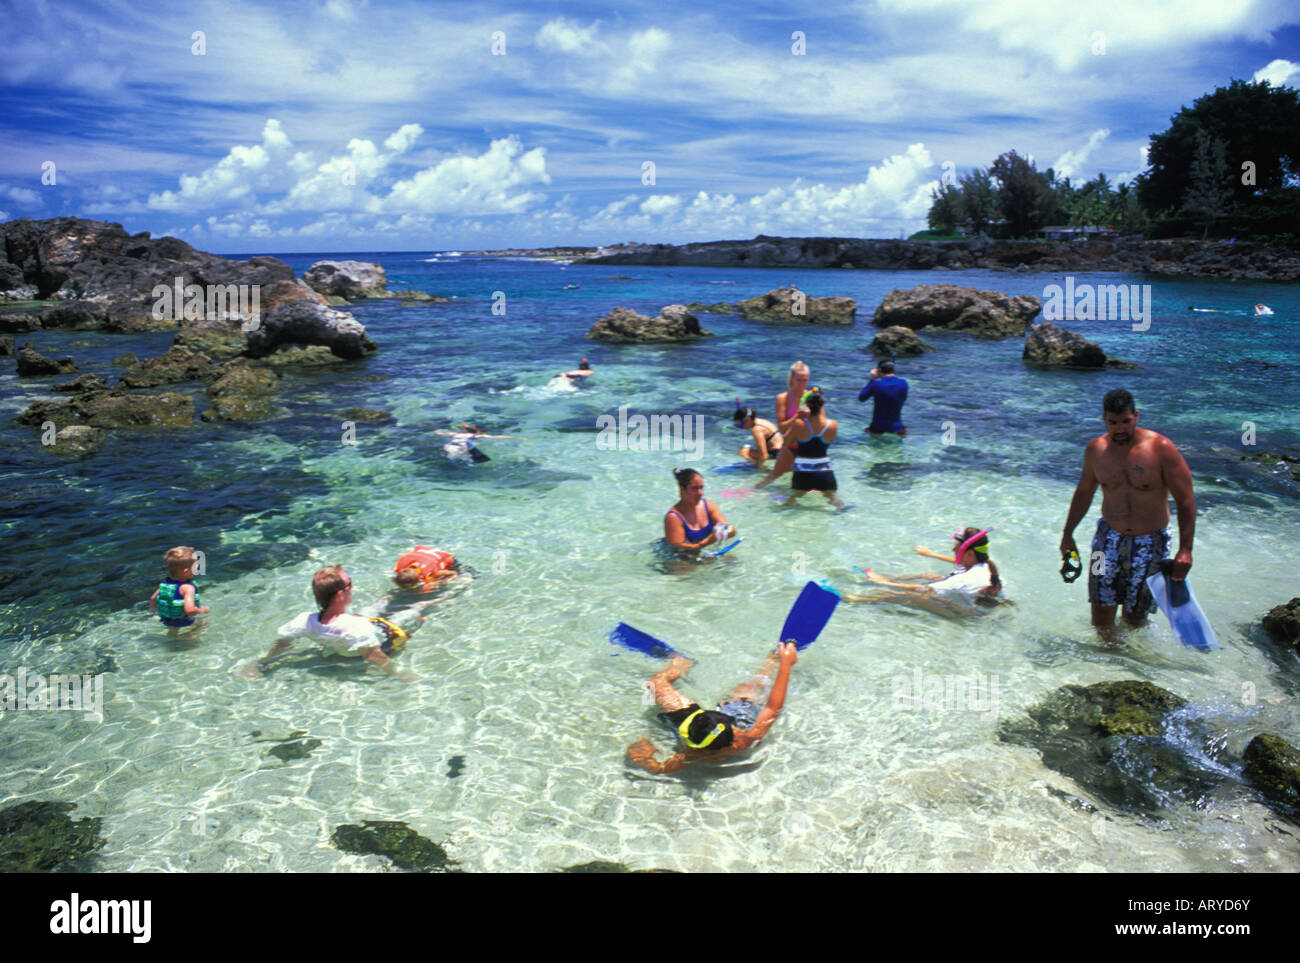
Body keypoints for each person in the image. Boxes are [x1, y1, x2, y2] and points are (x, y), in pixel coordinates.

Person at [1059, 388, 1196, 640]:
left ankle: (1132, 665)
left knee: (1135, 616)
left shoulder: (1160, 448)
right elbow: (1084, 493)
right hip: (1105, 541)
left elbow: (1186, 500)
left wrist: (1186, 549)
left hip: (1150, 543)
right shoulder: (1095, 450)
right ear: (1104, 419)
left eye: (1126, 421)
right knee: (1100, 609)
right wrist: (1067, 535)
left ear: (1136, 416)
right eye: (1113, 422)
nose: (1119, 428)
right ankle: (1107, 666)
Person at [626, 642, 799, 774]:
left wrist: (641, 755)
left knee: (655, 684)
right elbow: (773, 707)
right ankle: (771, 662)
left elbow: (660, 768)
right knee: (750, 690)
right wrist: (786, 666)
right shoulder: (745, 739)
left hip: (699, 725)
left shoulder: (691, 755)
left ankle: (680, 663)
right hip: (741, 711)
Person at [240, 565, 416, 680]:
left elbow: (283, 644)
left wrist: (263, 661)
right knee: (410, 615)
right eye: (350, 584)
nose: (352, 587)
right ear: (341, 594)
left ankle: (393, 597)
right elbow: (374, 656)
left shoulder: (304, 620)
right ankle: (427, 599)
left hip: (338, 641)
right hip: (369, 645)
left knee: (370, 610)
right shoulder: (358, 628)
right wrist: (396, 674)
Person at [844, 527, 1004, 616]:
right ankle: (890, 579)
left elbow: (922, 588)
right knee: (928, 576)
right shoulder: (985, 564)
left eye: (956, 548)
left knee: (911, 595)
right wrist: (931, 554)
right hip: (974, 601)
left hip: (970, 614)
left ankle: (856, 598)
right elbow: (957, 562)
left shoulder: (965, 578)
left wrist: (885, 583)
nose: (953, 550)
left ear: (968, 554)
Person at [762, 388, 843, 507]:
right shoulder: (833, 425)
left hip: (803, 473)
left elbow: (786, 443)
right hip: (825, 473)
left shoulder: (799, 424)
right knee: (832, 497)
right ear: (822, 404)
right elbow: (830, 441)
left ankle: (783, 512)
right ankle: (843, 510)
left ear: (807, 405)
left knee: (794, 498)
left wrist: (798, 418)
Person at [663, 468, 735, 553]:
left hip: (701, 552)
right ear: (682, 489)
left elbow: (731, 530)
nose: (700, 492)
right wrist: (706, 542)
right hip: (680, 556)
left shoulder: (708, 505)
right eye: (695, 488)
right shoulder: (673, 517)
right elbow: (680, 549)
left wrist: (724, 531)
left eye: (701, 487)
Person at [764, 361, 811, 484]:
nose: (802, 384)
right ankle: (748, 494)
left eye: (805, 380)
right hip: (790, 445)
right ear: (792, 379)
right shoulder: (783, 398)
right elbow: (782, 429)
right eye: (799, 380)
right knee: (772, 478)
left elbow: (820, 426)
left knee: (813, 486)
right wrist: (797, 416)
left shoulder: (811, 398)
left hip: (807, 446)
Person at [149, 546, 210, 633]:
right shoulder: (188, 588)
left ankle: (173, 638)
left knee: (172, 632)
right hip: (183, 620)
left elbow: (152, 599)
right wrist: (202, 610)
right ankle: (188, 636)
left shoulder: (165, 584)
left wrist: (154, 613)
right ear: (186, 571)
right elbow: (189, 610)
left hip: (166, 619)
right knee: (203, 624)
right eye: (196, 566)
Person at [858, 359, 908, 436]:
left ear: (879, 370)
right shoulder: (903, 384)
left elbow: (861, 398)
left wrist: (872, 379)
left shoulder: (876, 385)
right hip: (897, 429)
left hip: (878, 429)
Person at [436, 423, 516, 462]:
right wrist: (515, 437)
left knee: (451, 457)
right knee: (464, 453)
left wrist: (437, 430)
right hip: (462, 447)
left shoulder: (455, 433)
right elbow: (495, 437)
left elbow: (440, 433)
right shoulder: (475, 436)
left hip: (449, 447)